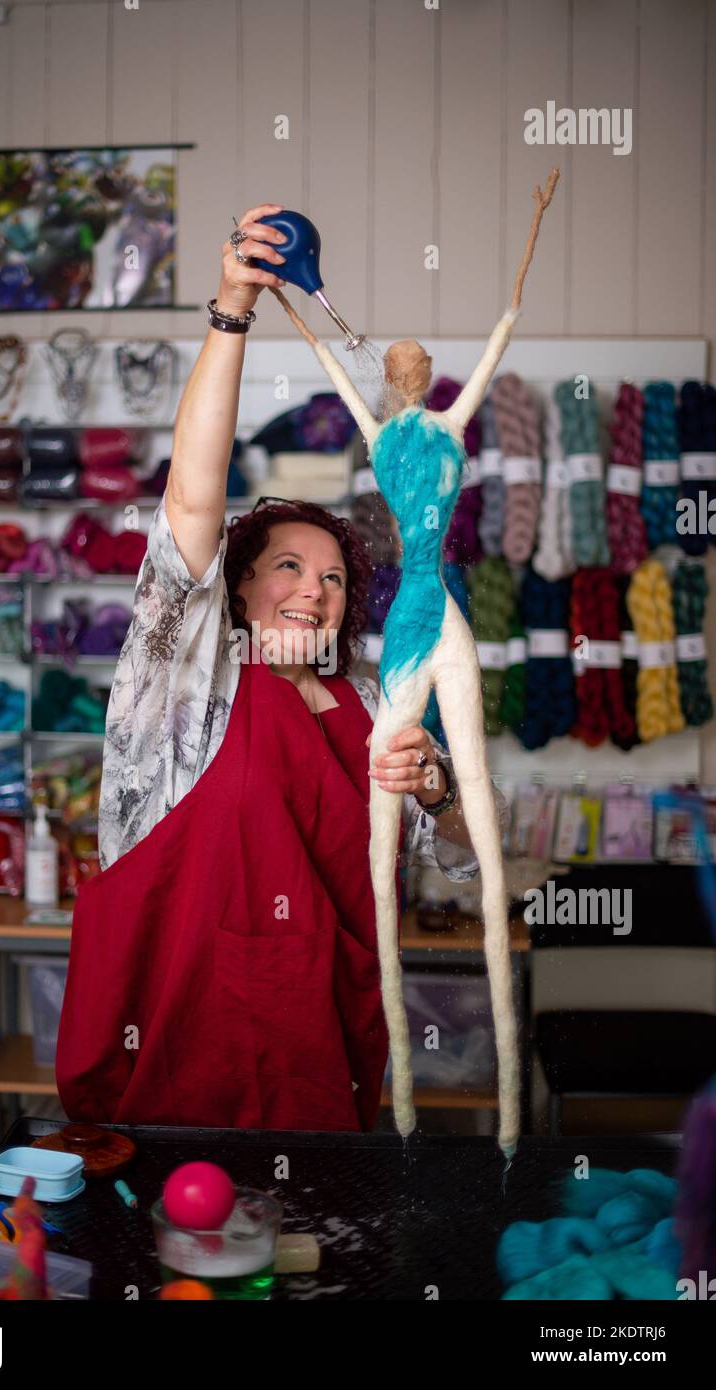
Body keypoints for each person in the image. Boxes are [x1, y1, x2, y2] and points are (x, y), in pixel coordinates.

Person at [56, 203, 507, 1134]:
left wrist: (431, 789)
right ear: (238, 589)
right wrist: (232, 312)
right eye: (288, 569)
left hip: (325, 1068)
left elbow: (459, 858)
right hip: (175, 1077)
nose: (314, 591)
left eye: (335, 577)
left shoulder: (373, 701)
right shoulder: (184, 679)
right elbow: (189, 498)